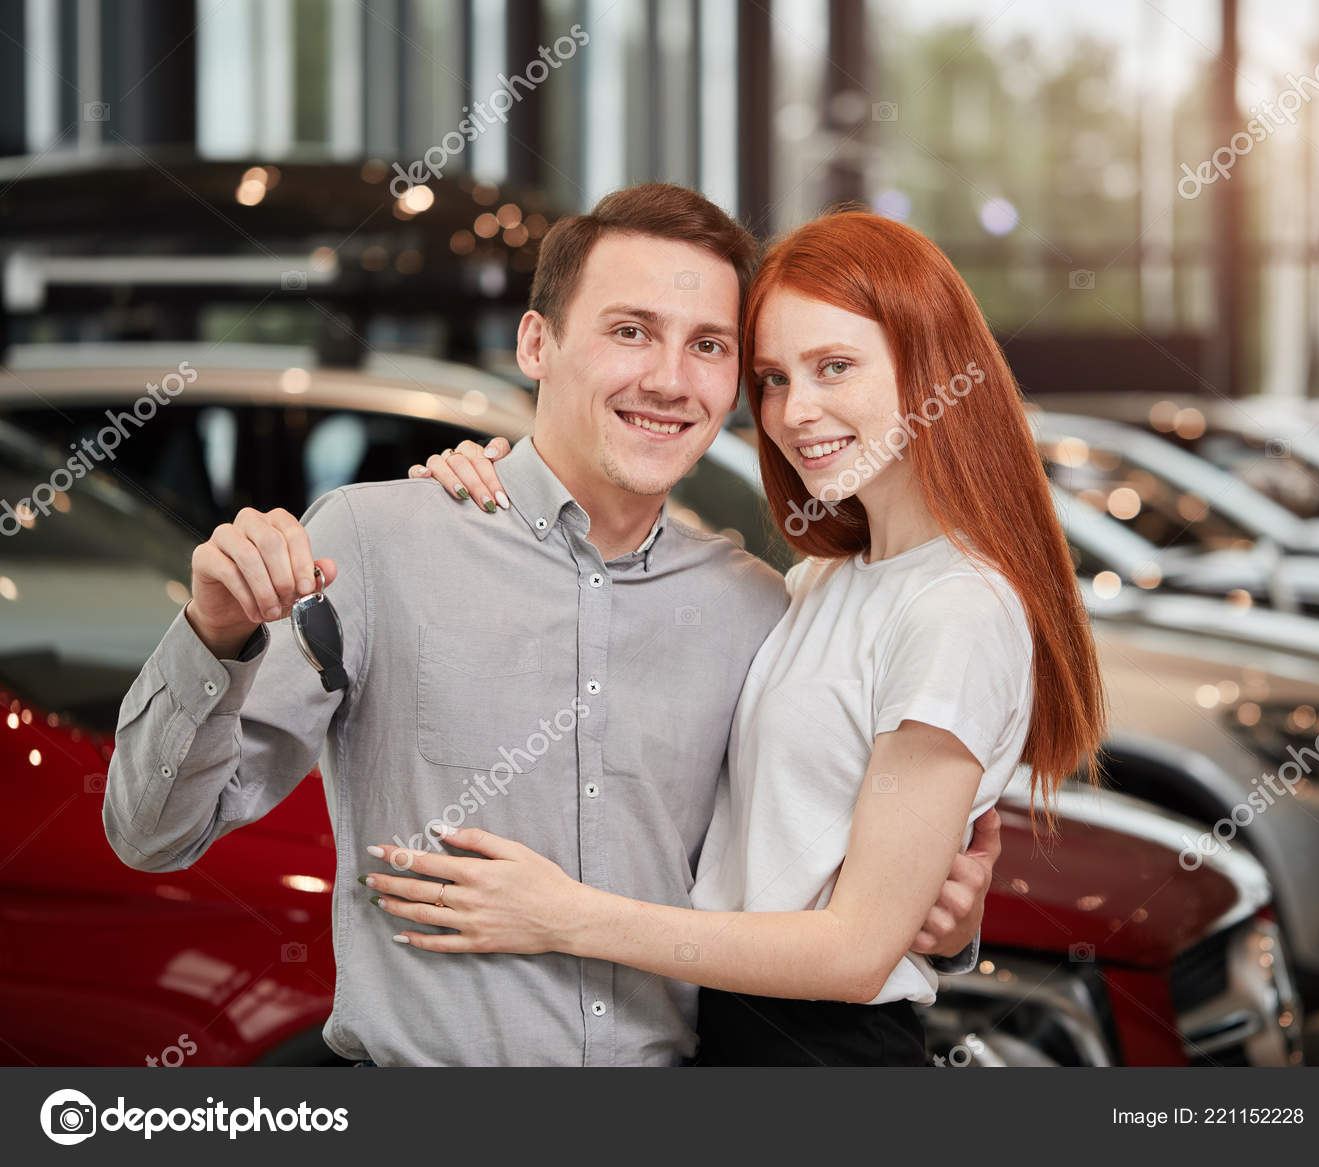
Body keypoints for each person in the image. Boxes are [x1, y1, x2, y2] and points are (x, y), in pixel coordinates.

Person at [102, 184, 992, 1067]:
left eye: (709, 345)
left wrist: (946, 919)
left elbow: (804, 863)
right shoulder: (377, 544)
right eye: (630, 330)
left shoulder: (758, 607)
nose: (669, 379)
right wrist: (215, 633)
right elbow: (155, 833)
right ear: (538, 342)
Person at [374, 208, 1106, 1066]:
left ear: (928, 368)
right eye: (775, 378)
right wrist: (496, 490)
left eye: (835, 367)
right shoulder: (824, 580)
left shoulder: (960, 606)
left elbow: (854, 952)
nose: (798, 412)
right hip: (726, 1031)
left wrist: (563, 913)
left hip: (821, 1055)